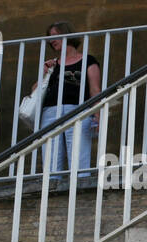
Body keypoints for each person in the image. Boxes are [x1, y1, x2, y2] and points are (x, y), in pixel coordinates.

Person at [30, 22, 102, 176]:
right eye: (50, 38)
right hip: (50, 112)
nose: (51, 40)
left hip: (78, 110)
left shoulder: (88, 60)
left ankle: (80, 190)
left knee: (79, 157)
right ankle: (51, 191)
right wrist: (45, 72)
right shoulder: (52, 65)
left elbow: (95, 89)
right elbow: (35, 91)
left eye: (55, 36)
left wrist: (97, 114)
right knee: (51, 161)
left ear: (67, 34)